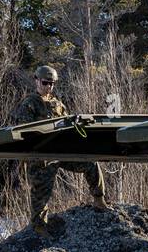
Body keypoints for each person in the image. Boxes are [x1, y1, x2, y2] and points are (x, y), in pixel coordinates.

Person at [13, 64, 106, 232]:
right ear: (37, 81)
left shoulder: (58, 104)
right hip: (40, 157)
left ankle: (99, 200)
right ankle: (39, 229)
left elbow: (67, 126)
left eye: (51, 83)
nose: (49, 87)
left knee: (90, 164)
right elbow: (23, 131)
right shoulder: (29, 104)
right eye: (45, 83)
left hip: (60, 152)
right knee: (41, 195)